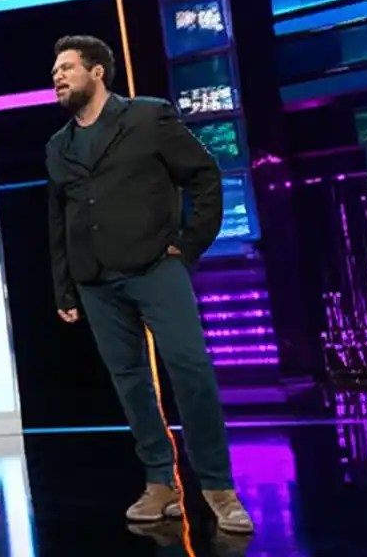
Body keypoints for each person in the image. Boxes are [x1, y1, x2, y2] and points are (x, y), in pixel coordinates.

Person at [44, 35, 253, 534]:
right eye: (55, 70)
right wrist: (64, 287)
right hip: (95, 280)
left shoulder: (147, 117)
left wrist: (189, 244)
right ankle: (161, 480)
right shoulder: (58, 147)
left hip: (156, 266)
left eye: (68, 67)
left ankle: (219, 488)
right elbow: (58, 220)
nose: (58, 76)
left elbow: (204, 175)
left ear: (97, 72)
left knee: (190, 369)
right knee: (131, 383)